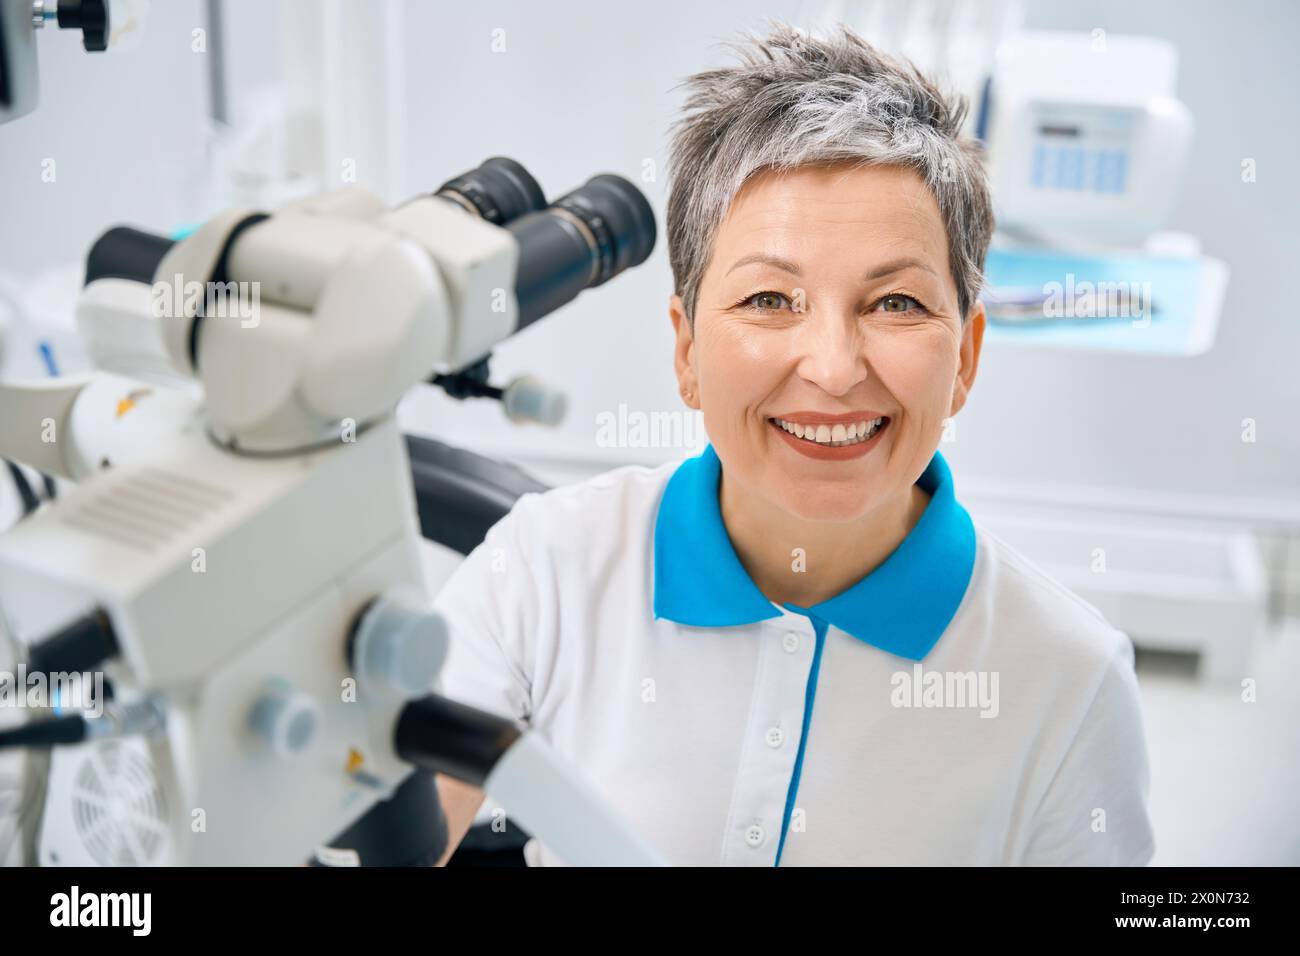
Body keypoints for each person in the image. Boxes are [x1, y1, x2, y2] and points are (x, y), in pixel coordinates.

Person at [431, 20, 1155, 867]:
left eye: (895, 304)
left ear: (964, 358)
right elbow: (388, 835)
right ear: (687, 350)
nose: (835, 368)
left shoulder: (1070, 683)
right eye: (771, 299)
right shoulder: (543, 572)